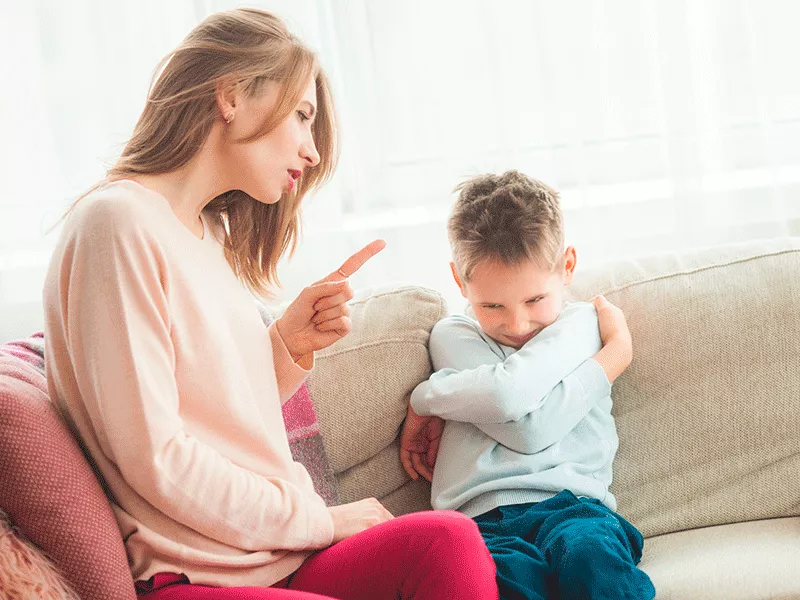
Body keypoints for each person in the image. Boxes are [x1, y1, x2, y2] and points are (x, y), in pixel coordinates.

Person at [43, 9, 498, 600]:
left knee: (449, 541)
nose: (310, 152)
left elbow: (212, 414)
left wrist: (283, 347)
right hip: (193, 575)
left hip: (271, 560)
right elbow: (157, 458)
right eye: (303, 117)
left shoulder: (206, 235)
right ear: (231, 94)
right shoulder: (117, 223)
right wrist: (319, 519)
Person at [399, 171, 655, 600]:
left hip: (574, 508)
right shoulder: (453, 335)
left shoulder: (582, 324)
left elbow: (521, 419)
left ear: (567, 266)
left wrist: (427, 397)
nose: (516, 324)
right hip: (479, 520)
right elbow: (515, 407)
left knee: (593, 560)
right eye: (492, 305)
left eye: (534, 300)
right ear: (460, 281)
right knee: (500, 581)